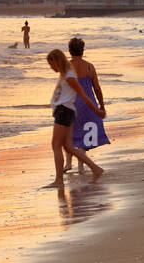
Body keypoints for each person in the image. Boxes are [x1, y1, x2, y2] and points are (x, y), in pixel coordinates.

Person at [43, 49, 104, 187]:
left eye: (51, 64)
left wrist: (97, 110)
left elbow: (82, 95)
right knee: (69, 147)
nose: (50, 67)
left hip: (64, 111)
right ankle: (96, 169)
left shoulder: (69, 76)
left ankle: (59, 181)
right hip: (65, 111)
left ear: (57, 61)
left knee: (56, 145)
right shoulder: (64, 74)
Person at [62, 36, 110, 172]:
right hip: (88, 105)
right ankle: (81, 165)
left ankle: (68, 163)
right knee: (84, 134)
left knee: (69, 133)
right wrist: (102, 105)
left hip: (72, 104)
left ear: (70, 51)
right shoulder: (90, 67)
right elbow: (97, 88)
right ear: (82, 50)